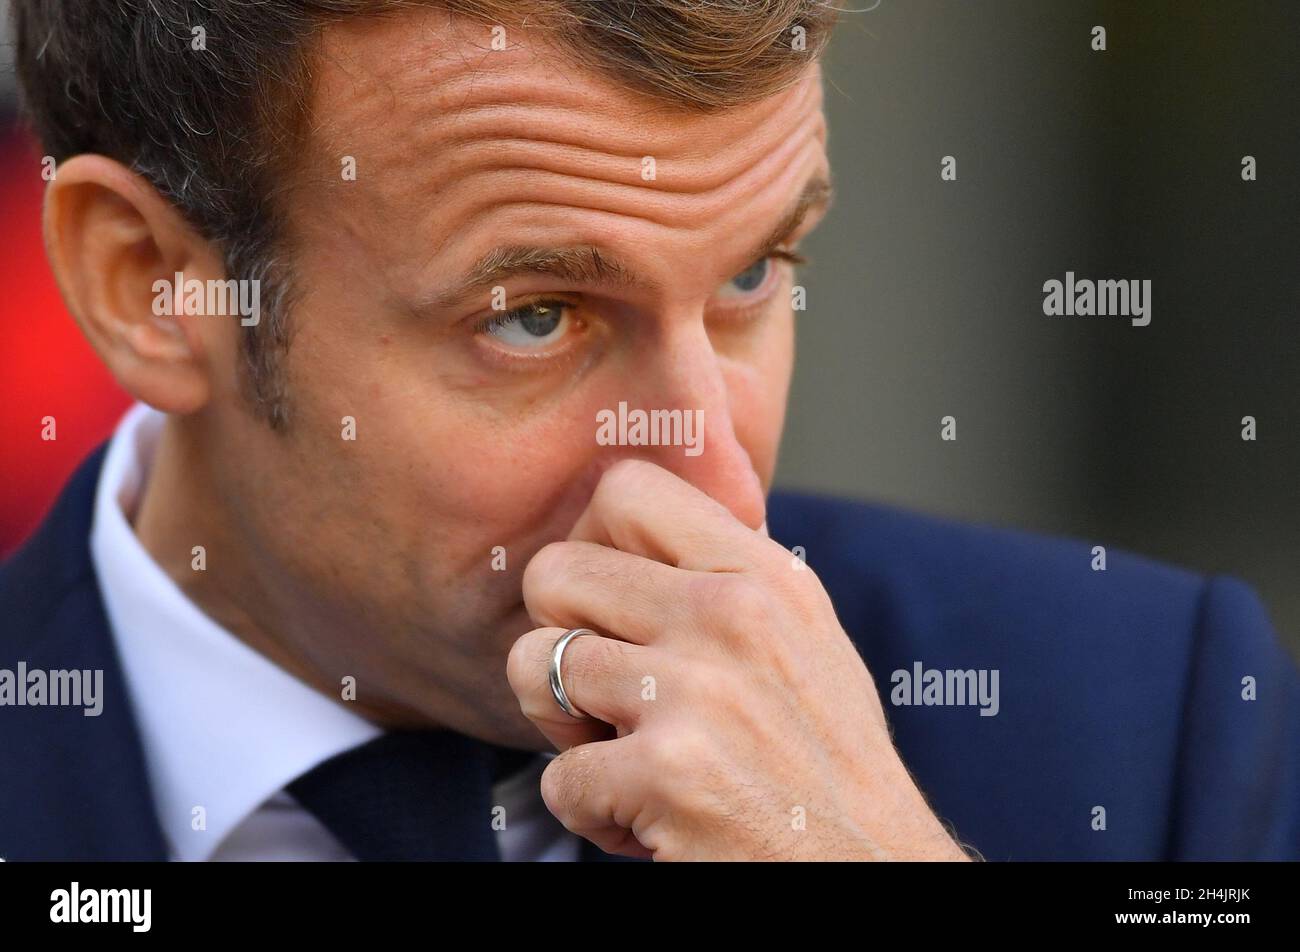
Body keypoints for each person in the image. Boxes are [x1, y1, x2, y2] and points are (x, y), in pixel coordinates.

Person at [2, 0, 1296, 862]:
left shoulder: (1157, 730)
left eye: (751, 275)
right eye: (535, 316)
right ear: (149, 286)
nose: (718, 482)